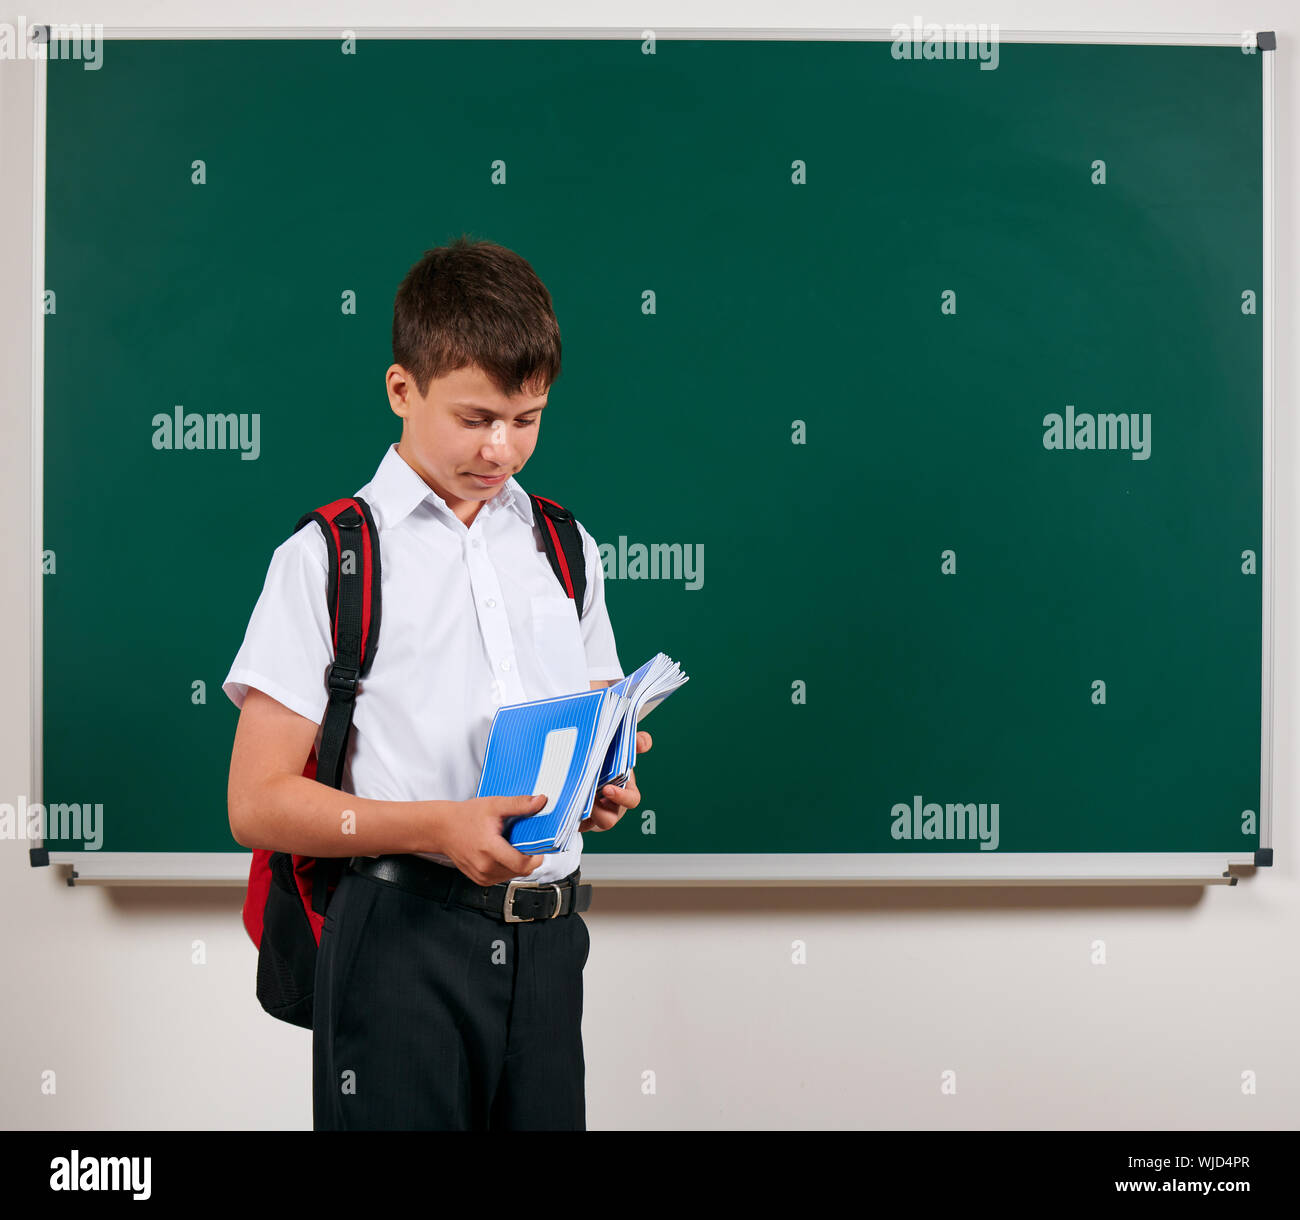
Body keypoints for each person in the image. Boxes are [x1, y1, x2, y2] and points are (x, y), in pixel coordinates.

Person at [223, 236, 651, 1130]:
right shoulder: (329, 559)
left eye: (527, 418)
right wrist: (438, 829)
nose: (502, 448)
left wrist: (608, 782)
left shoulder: (565, 546)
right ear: (401, 390)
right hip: (396, 938)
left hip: (549, 944)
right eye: (476, 417)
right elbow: (257, 803)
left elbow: (600, 704)